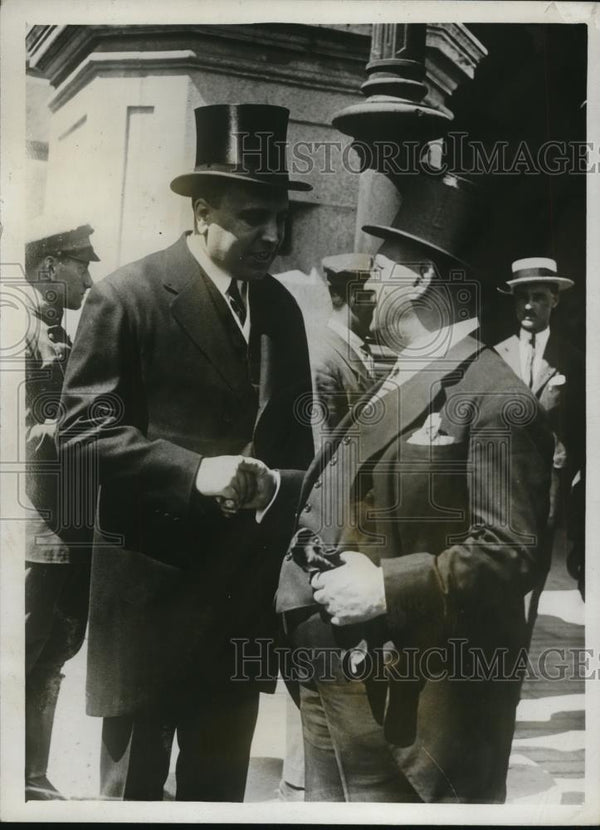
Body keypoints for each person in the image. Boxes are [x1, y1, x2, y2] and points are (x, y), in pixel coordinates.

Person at [267, 174, 555, 802]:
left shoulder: (495, 397)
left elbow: (511, 551)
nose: (367, 278)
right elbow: (353, 482)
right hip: (333, 667)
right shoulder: (400, 373)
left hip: (410, 708)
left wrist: (385, 586)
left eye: (383, 264)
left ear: (421, 278)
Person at [57, 104, 314, 802]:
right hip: (148, 608)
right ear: (202, 211)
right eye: (252, 216)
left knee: (217, 795)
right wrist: (197, 472)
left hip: (238, 607)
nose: (273, 235)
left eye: (279, 218)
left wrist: (276, 485)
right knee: (133, 795)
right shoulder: (127, 298)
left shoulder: (282, 311)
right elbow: (82, 433)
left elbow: (299, 448)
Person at [24, 224, 99, 800]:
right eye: (82, 266)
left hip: (69, 530)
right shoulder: (18, 332)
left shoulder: (58, 335)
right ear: (51, 266)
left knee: (51, 657)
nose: (90, 278)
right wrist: (75, 431)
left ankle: (31, 777)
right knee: (22, 656)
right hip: (35, 532)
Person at [495, 259, 584, 603]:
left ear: (555, 300)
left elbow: (580, 430)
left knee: (535, 573)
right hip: (501, 482)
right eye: (522, 297)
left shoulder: (574, 360)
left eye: (539, 297)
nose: (529, 305)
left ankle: (523, 643)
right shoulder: (495, 355)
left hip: (547, 490)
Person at [311, 253, 378, 438]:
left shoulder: (359, 348)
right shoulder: (322, 359)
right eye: (376, 294)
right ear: (357, 297)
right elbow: (324, 445)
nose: (382, 302)